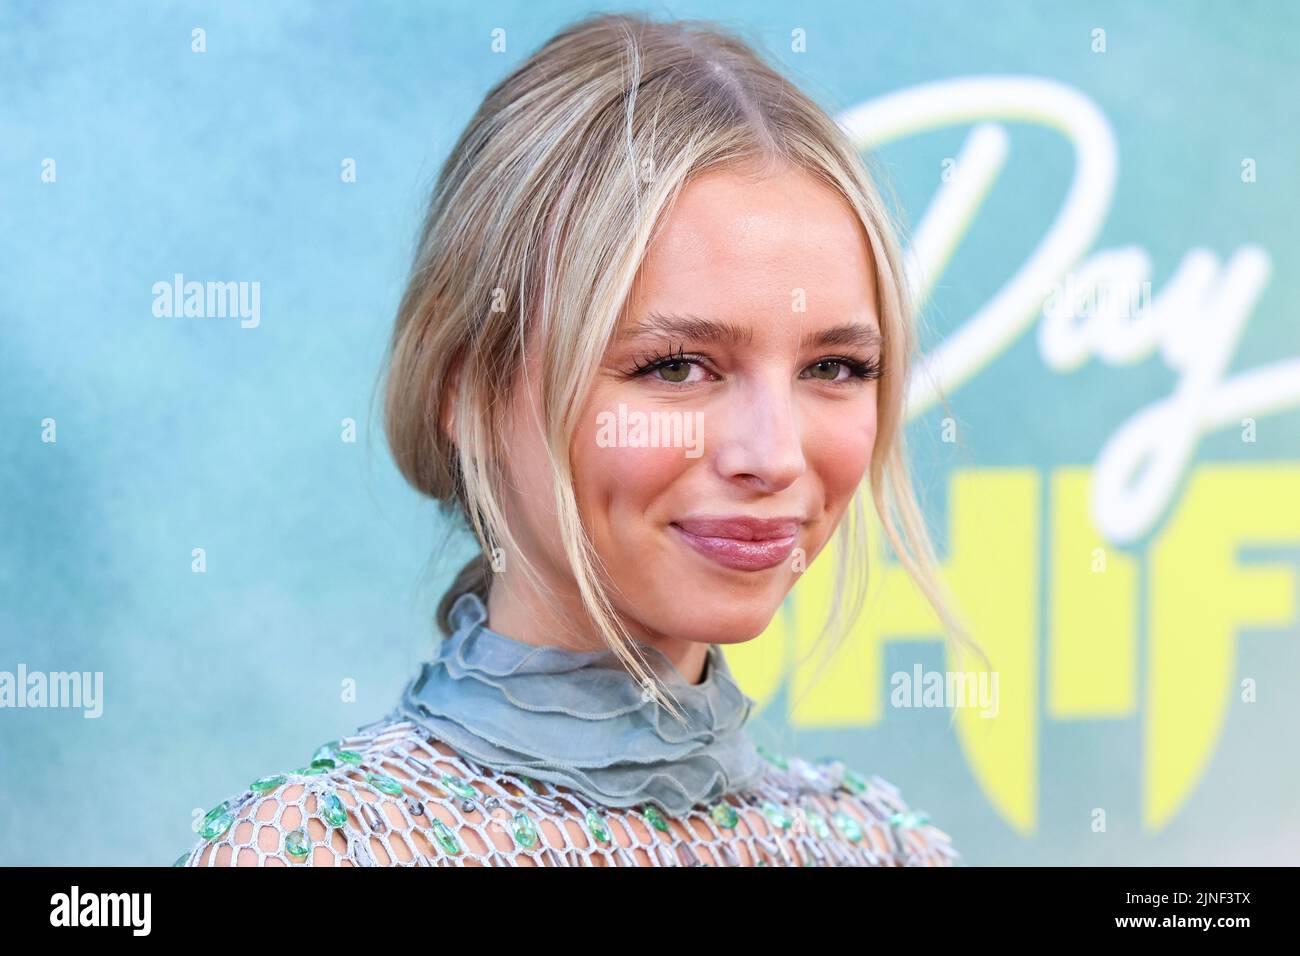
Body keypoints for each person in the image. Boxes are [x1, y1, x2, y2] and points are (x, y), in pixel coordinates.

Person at [178, 11, 981, 867]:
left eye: (835, 368)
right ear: (468, 389)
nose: (776, 455)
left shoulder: (882, 849)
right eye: (675, 367)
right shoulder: (315, 852)